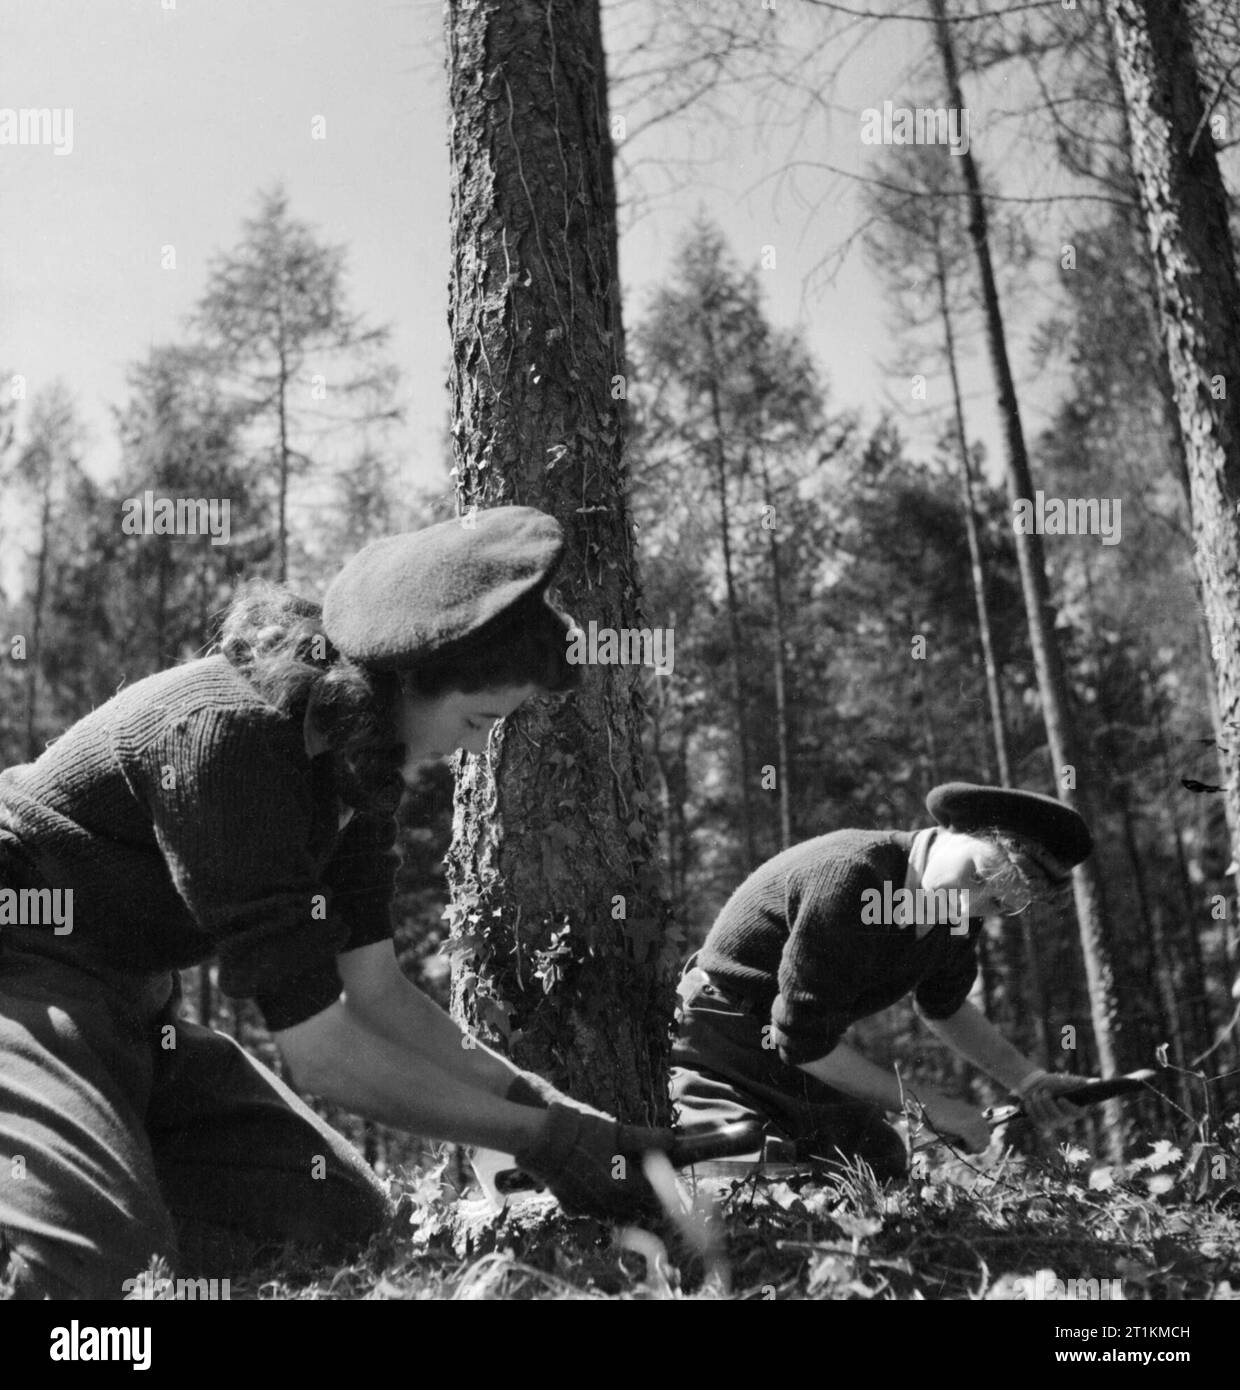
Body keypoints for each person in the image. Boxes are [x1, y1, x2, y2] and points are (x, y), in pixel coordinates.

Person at [0, 506, 670, 1301]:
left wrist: (570, 1119)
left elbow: (378, 994)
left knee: (340, 1218)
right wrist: (547, 1142)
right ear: (412, 678)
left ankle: (86, 1165)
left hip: (127, 1006)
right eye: (479, 718)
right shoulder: (228, 739)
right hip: (21, 977)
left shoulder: (355, 761)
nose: (479, 748)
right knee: (98, 1281)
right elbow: (322, 1054)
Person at [669, 783, 1099, 1178]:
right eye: (978, 876)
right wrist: (934, 1108)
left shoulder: (953, 915)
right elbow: (803, 1043)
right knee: (753, 1175)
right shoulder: (852, 876)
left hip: (788, 1060)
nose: (968, 907)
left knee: (880, 1163)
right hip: (715, 1038)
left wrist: (1029, 1081)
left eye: (1000, 906)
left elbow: (944, 1007)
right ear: (953, 828)